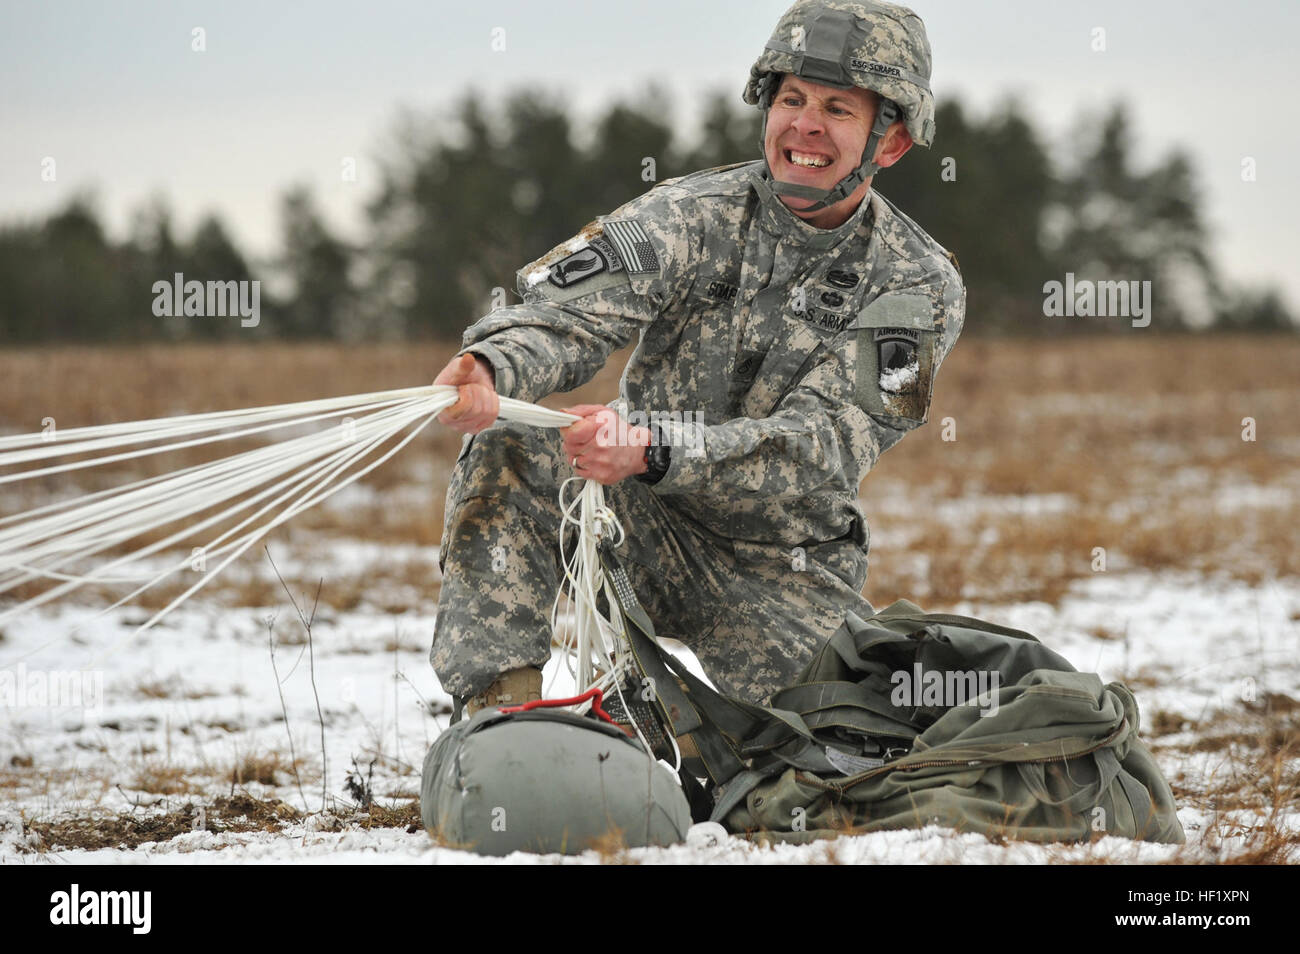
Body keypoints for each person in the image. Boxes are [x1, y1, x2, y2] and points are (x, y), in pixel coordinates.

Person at [429, 0, 964, 719]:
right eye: (791, 99)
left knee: (820, 767)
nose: (805, 124)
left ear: (890, 143)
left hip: (786, 568)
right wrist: (494, 365)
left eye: (838, 109)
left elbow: (828, 447)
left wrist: (655, 448)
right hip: (633, 519)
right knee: (508, 450)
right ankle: (500, 720)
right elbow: (571, 314)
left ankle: (690, 735)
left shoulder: (918, 286)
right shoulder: (689, 214)